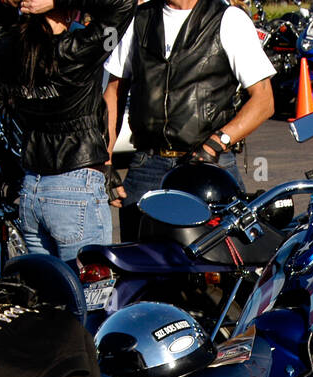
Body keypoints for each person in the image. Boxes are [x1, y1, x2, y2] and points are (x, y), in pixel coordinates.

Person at [103, 0, 275, 233]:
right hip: (147, 166)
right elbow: (113, 93)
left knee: (218, 261)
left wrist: (216, 144)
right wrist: (105, 161)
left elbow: (263, 101)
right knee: (139, 264)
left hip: (210, 166)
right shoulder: (138, 19)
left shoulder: (228, 19)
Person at [0, 0, 136, 261]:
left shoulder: (4, 48)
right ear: (68, 14)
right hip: (75, 183)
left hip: (33, 187)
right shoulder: (74, 50)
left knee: (50, 295)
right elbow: (123, 4)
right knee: (91, 296)